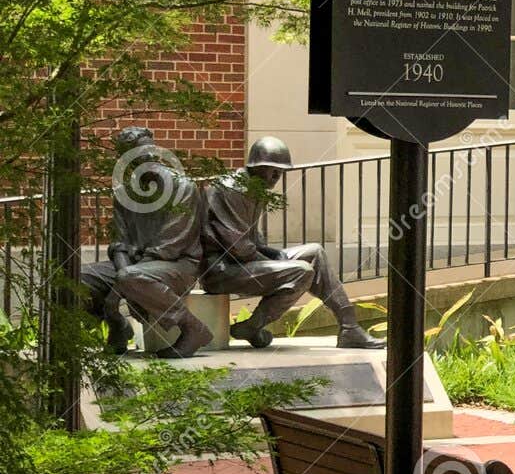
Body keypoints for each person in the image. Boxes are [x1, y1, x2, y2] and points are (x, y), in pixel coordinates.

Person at [202, 136, 384, 350]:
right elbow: (239, 248)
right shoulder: (231, 189)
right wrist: (278, 264)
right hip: (222, 271)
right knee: (301, 271)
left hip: (244, 263)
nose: (277, 176)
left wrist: (274, 254)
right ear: (257, 166)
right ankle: (253, 326)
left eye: (281, 172)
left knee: (314, 252)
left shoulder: (255, 189)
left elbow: (254, 241)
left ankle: (349, 327)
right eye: (273, 170)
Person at [81, 126, 212, 358]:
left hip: (177, 265)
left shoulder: (184, 188)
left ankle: (193, 328)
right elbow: (120, 242)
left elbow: (170, 246)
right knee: (78, 278)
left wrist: (124, 283)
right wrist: (124, 278)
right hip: (132, 265)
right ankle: (117, 326)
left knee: (129, 278)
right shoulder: (124, 192)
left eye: (149, 151)